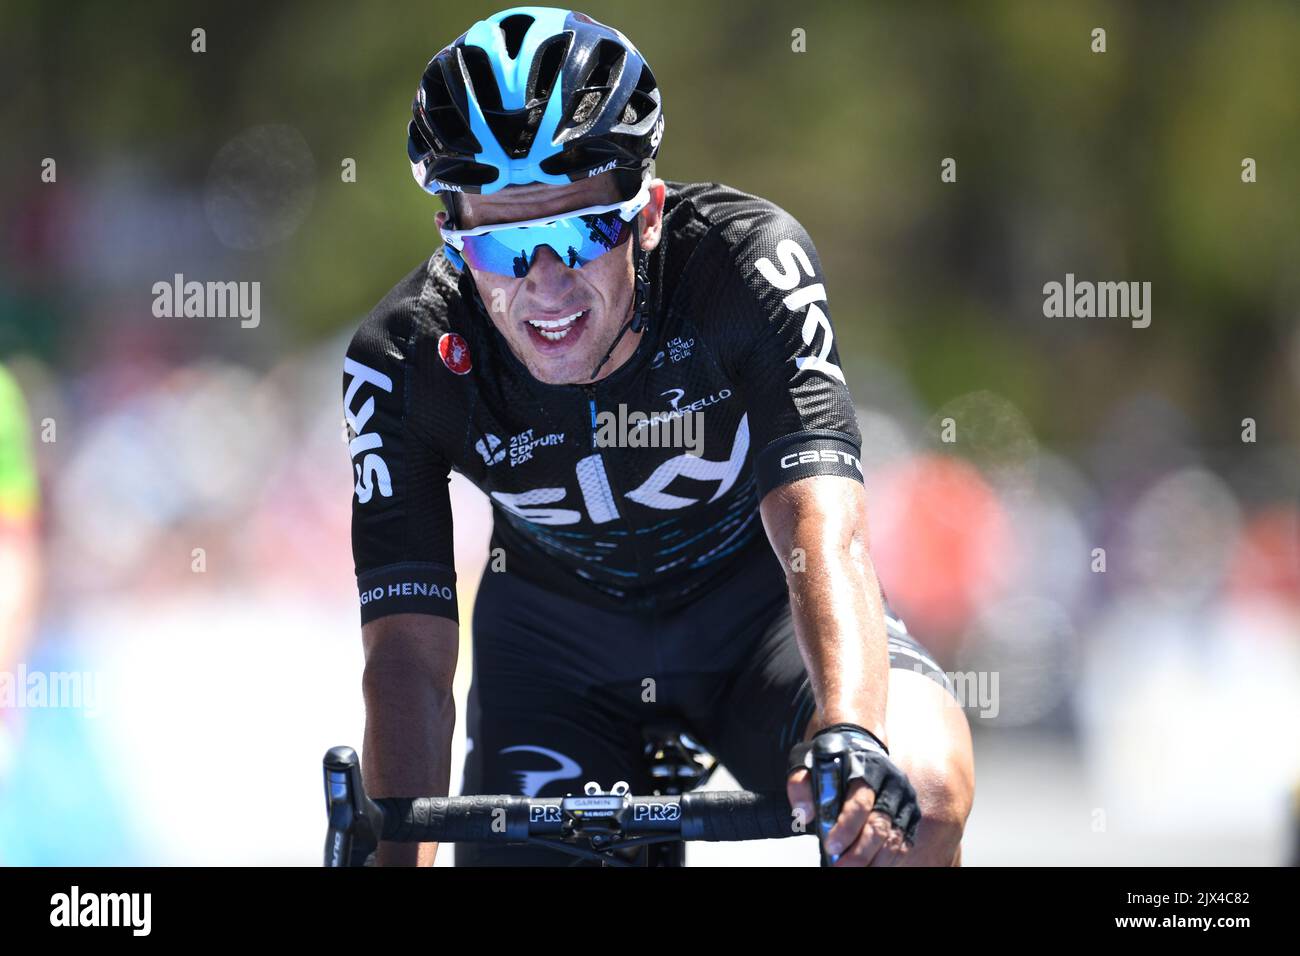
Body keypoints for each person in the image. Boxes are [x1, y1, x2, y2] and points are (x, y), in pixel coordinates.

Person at [343, 6, 974, 866]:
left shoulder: (743, 269)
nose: (545, 285)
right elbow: (406, 651)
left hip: (758, 619)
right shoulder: (406, 357)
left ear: (646, 214)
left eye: (578, 231)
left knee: (919, 797)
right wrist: (391, 846)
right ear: (451, 241)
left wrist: (852, 731)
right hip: (554, 654)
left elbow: (823, 532)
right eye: (500, 245)